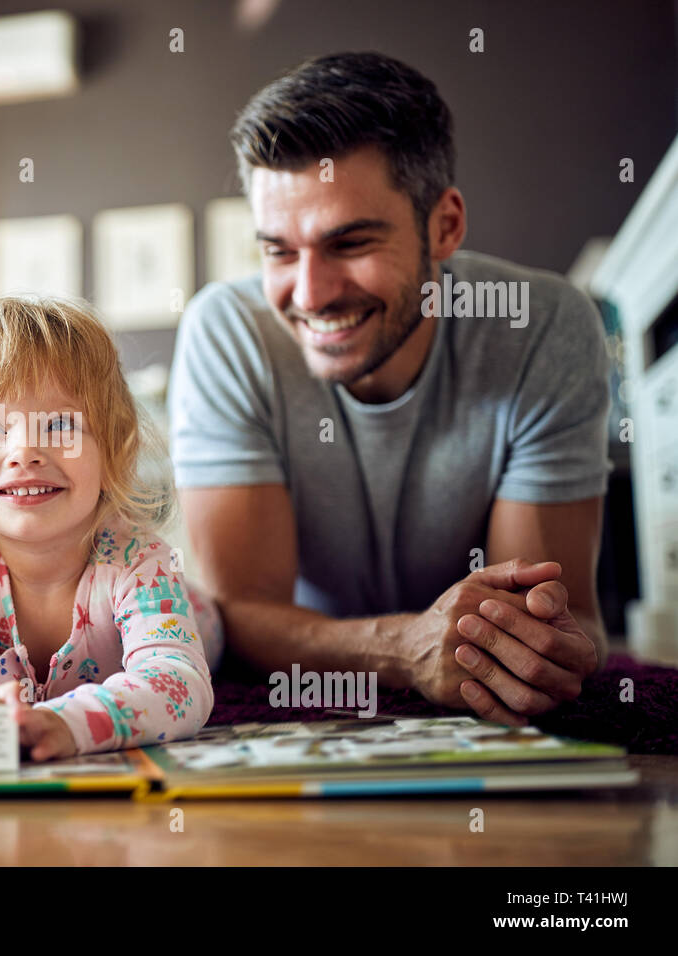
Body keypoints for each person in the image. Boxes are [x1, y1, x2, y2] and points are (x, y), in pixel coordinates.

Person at [168, 52, 611, 727]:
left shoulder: (545, 325)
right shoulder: (226, 331)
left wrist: (541, 646)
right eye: (279, 251)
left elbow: (544, 612)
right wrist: (404, 648)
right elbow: (245, 613)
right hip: (311, 695)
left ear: (445, 227)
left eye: (349, 243)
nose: (309, 294)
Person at [0, 296, 222, 763]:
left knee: (217, 621)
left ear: (113, 453)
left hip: (198, 616)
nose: (24, 451)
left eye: (61, 424)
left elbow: (178, 682)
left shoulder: (142, 562)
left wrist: (67, 722)